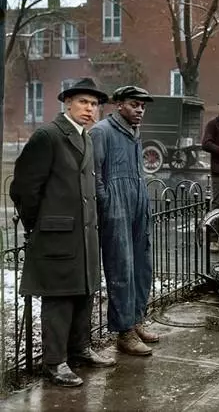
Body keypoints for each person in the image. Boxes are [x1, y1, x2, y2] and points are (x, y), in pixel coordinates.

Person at [10, 77, 115, 387]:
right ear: (67, 103)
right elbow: (24, 189)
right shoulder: (48, 136)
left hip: (82, 235)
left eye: (94, 104)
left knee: (83, 291)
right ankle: (54, 363)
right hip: (57, 234)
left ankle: (79, 349)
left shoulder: (87, 137)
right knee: (58, 299)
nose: (90, 109)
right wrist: (39, 224)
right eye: (83, 101)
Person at [89, 85, 159, 356]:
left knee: (142, 266)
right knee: (121, 269)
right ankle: (124, 332)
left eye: (143, 105)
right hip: (116, 208)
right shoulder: (102, 132)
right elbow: (95, 177)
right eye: (134, 104)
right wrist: (107, 205)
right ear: (118, 104)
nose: (140, 109)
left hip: (137, 204)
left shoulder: (133, 133)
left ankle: (137, 319)